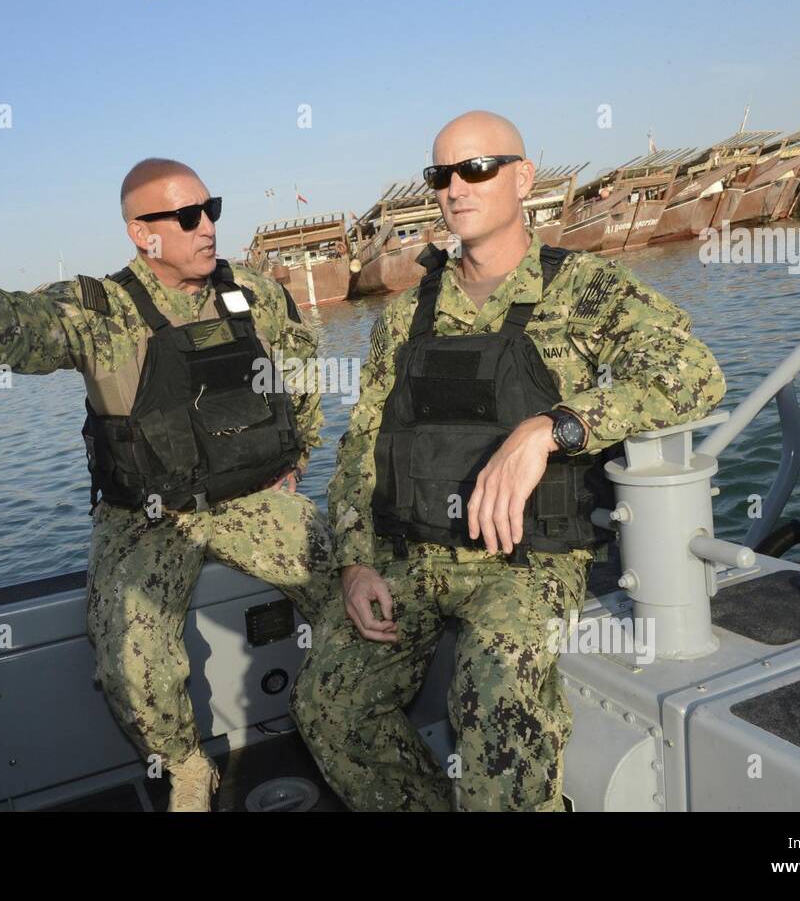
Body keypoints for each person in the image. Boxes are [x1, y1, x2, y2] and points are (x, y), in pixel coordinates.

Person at [0, 158, 334, 811]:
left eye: (212, 209)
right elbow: (16, 325)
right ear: (140, 233)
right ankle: (185, 764)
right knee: (131, 653)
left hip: (253, 496)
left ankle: (333, 719)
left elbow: (300, 368)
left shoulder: (255, 294)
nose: (206, 227)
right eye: (186, 216)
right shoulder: (102, 309)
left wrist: (302, 457)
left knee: (352, 583)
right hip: (151, 514)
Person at [292, 110, 726, 811]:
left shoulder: (579, 289)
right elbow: (363, 446)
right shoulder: (406, 315)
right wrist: (354, 560)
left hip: (531, 563)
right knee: (327, 704)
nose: (456, 188)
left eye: (477, 169)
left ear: (522, 178)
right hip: (417, 556)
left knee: (491, 702)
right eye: (441, 175)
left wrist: (551, 429)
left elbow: (693, 372)